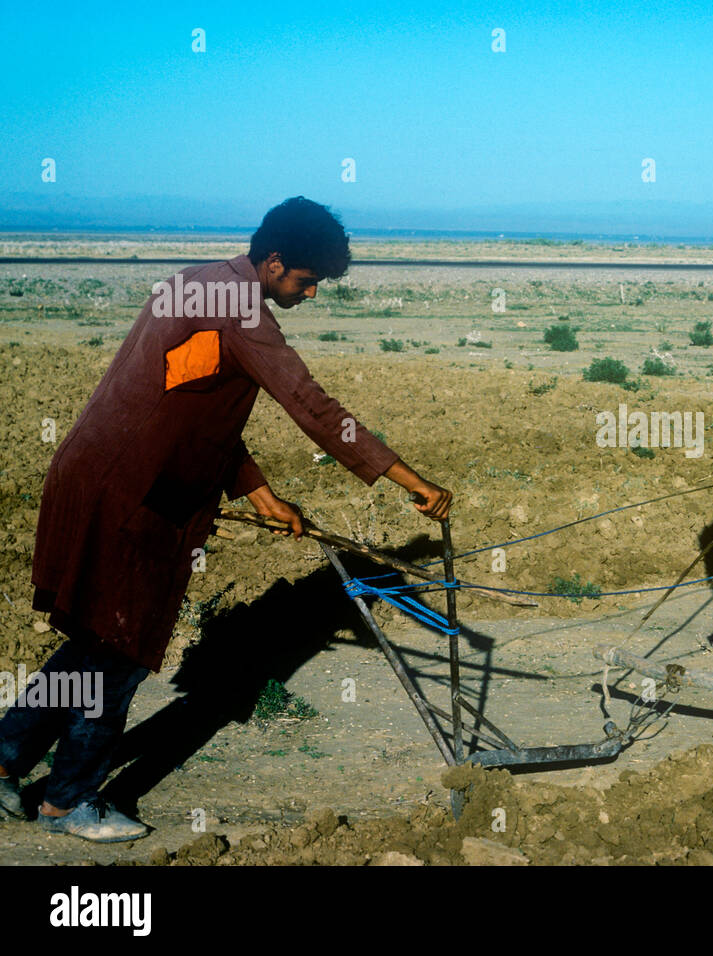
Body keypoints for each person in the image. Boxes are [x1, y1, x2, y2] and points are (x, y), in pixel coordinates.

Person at [0, 197, 451, 842]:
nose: (313, 292)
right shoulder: (243, 312)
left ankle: (5, 756)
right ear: (273, 262)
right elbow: (310, 405)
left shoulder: (196, 282)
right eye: (306, 279)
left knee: (95, 642)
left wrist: (259, 492)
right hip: (136, 496)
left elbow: (190, 403)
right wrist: (408, 478)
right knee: (122, 647)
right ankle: (67, 800)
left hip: (97, 474)